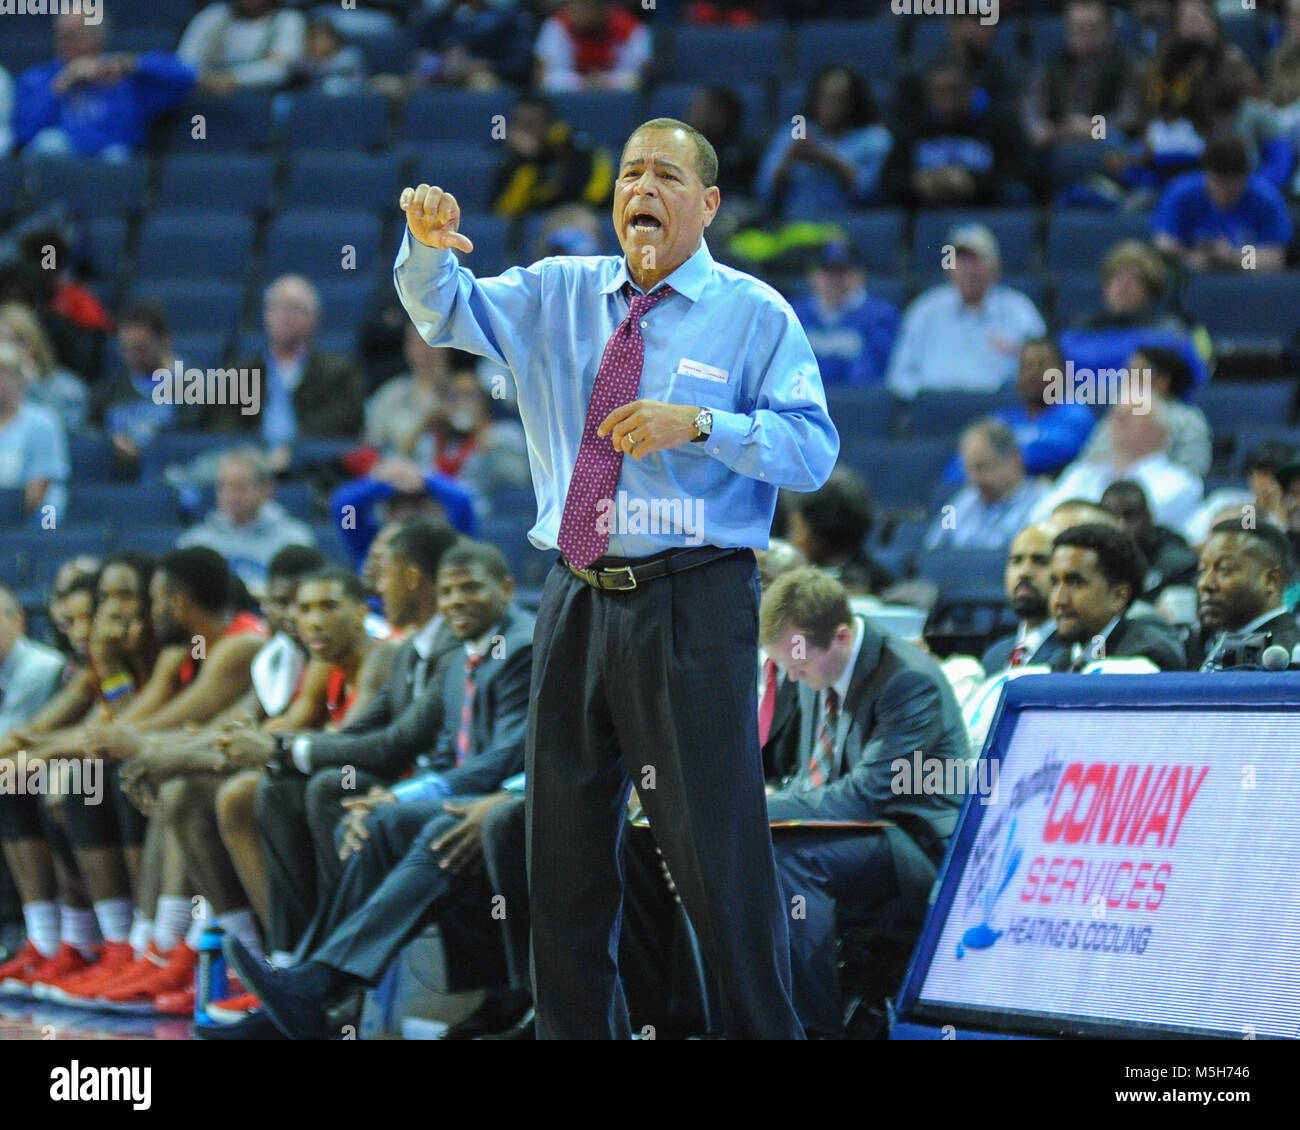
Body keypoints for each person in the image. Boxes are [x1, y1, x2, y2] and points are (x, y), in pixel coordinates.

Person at [394, 116, 838, 1039]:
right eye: (630, 172)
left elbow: (812, 451)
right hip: (572, 591)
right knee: (558, 854)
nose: (643, 187)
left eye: (668, 175)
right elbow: (446, 310)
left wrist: (703, 426)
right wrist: (426, 249)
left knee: (714, 858)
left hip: (692, 600)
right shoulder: (558, 292)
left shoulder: (755, 313)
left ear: (707, 204)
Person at [222, 540, 535, 1041]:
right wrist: (395, 797)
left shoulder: (520, 645)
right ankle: (312, 994)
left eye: (470, 588)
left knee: (415, 821)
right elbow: (430, 749)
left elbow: (503, 759)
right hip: (470, 799)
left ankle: (320, 987)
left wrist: (402, 796)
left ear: (507, 589)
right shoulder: (460, 655)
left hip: (515, 807)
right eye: (449, 591)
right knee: (369, 817)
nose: (456, 601)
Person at [759, 568, 969, 1037]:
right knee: (730, 852)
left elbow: (862, 797)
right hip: (861, 832)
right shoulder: (819, 667)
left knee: (787, 857)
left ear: (841, 635)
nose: (792, 677)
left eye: (799, 666)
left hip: (916, 843)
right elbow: (811, 781)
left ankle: (812, 1030)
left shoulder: (908, 682)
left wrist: (748, 813)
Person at [214, 275, 365, 473]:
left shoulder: (338, 371)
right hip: (250, 467)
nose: (284, 316)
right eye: (276, 307)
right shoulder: (239, 373)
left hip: (312, 468)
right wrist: (255, 457)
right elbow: (223, 426)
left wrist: (294, 453)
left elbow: (342, 424)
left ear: (314, 318)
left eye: (294, 308)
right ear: (265, 315)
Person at [885, 223, 1045, 401]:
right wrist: (925, 400)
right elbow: (899, 376)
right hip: (936, 411)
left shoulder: (1020, 311)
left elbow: (1044, 370)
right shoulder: (925, 310)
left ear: (997, 267)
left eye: (976, 260)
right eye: (961, 261)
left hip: (996, 414)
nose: (968, 269)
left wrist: (1020, 354)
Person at [14, 12, 195, 159]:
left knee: (116, 155)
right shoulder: (39, 78)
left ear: (99, 39)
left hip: (113, 161)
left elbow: (186, 75)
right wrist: (61, 85)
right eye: (61, 36)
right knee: (49, 144)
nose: (64, 44)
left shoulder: (124, 77)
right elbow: (23, 134)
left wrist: (129, 63)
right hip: (61, 164)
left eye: (74, 36)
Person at [943, 337, 1096, 487]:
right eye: (1026, 366)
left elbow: (1054, 452)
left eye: (1042, 365)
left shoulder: (1075, 415)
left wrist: (986, 462)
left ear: (1062, 373)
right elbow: (956, 469)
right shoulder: (1001, 420)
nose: (1033, 373)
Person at [1033, 399, 1204, 532]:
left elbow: (1136, 527)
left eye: (1134, 412)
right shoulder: (1082, 473)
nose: (1119, 417)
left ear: (1163, 432)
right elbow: (1038, 517)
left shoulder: (1181, 483)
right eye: (1116, 412)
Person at [1058, 239, 1208, 390]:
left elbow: (1195, 383)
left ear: (1152, 289)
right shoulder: (1077, 331)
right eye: (1116, 278)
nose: (1122, 286)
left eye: (1134, 279)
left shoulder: (1171, 335)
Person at [756, 65, 893, 217]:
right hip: (793, 226)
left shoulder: (874, 139)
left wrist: (833, 162)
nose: (830, 105)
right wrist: (789, 159)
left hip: (848, 227)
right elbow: (763, 191)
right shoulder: (792, 134)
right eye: (824, 96)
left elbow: (875, 195)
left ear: (854, 101)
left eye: (839, 98)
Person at [1047, 523, 1187, 671]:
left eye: (1075, 582)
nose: (1058, 600)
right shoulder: (1063, 660)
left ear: (1119, 597)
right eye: (1055, 583)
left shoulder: (1145, 658)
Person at [176, 448, 315, 598]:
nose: (229, 495)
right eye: (223, 486)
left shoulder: (294, 540)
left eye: (239, 487)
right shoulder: (195, 542)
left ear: (266, 490)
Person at [1152, 132, 1292, 273]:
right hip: (1194, 281)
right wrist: (1192, 258)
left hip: (1246, 285)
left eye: (1231, 185)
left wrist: (1232, 258)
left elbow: (1275, 260)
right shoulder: (1181, 193)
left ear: (1246, 177)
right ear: (1206, 175)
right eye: (1217, 182)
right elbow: (1164, 247)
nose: (1223, 192)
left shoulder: (1267, 199)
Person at [1189, 519, 1300, 670]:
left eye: (1225, 569)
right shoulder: (1206, 642)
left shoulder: (1287, 656)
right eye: (1203, 570)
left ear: (1271, 580)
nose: (1204, 583)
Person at [925, 419, 1046, 554]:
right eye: (968, 470)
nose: (973, 480)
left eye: (982, 468)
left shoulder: (1042, 505)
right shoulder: (963, 501)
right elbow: (931, 553)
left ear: (1014, 462)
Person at [789, 240, 899, 389]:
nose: (834, 279)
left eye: (842, 271)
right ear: (812, 275)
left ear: (860, 275)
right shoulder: (794, 315)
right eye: (827, 271)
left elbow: (878, 373)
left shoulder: (880, 316)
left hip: (859, 405)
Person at [96, 303, 188, 476]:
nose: (131, 357)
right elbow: (90, 430)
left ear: (166, 341)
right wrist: (112, 441)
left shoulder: (195, 387)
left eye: (141, 349)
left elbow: (189, 443)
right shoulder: (109, 389)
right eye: (125, 349)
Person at [490, 93, 613, 219]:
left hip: (579, 215)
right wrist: (528, 161)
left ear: (549, 125)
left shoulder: (575, 149)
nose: (522, 131)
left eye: (530, 123)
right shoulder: (514, 159)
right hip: (534, 221)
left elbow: (591, 198)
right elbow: (504, 210)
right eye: (517, 122)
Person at [781, 466, 890, 597]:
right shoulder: (882, 580)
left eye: (795, 530)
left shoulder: (878, 587)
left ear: (819, 536)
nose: (790, 540)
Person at [981, 523, 1067, 673]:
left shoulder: (1071, 654)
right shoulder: (995, 655)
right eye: (1017, 561)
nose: (1024, 572)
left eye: (1040, 561)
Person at [1100, 479, 1198, 603]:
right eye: (1112, 517)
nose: (1121, 527)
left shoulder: (1178, 565)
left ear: (1149, 516)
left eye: (1130, 515)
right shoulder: (1096, 557)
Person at [0, 341, 68, 519]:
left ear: (19, 378)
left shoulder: (42, 423)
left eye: (4, 374)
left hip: (31, 522)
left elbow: (37, 492)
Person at [178, 0, 307, 94]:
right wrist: (204, 79)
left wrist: (232, 79)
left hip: (260, 99)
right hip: (206, 91)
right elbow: (184, 60)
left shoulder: (288, 19)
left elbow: (280, 68)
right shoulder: (214, 15)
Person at [0, 302, 87, 434]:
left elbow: (61, 438)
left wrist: (29, 388)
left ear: (32, 345)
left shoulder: (67, 388)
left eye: (13, 341)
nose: (5, 349)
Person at [533, 0, 651, 93]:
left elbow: (638, 79)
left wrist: (605, 81)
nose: (579, 11)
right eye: (574, 4)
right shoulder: (556, 26)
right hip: (568, 103)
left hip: (618, 104)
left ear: (605, 7)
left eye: (588, 4)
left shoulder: (632, 29)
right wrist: (584, 82)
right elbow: (545, 80)